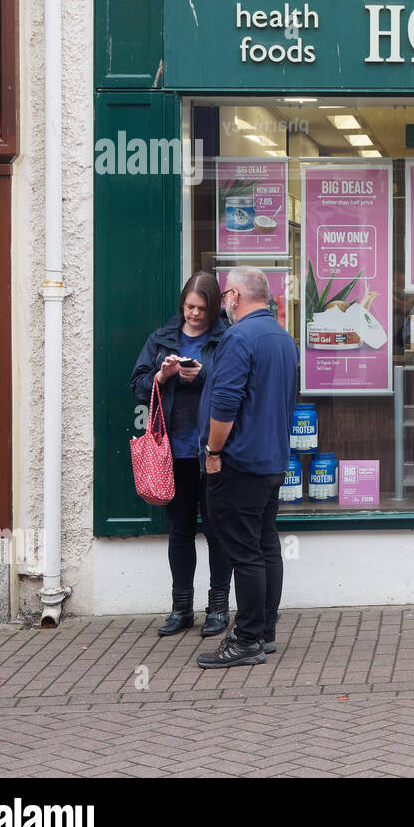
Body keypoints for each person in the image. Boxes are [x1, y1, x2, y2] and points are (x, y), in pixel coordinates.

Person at [196, 266, 299, 669]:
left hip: (239, 462)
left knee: (245, 553)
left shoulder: (239, 337)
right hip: (272, 459)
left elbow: (225, 404)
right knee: (266, 544)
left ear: (236, 296)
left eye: (225, 296)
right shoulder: (282, 338)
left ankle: (247, 638)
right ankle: (266, 631)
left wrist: (212, 450)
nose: (224, 303)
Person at [130, 272, 233, 637]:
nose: (194, 314)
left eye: (202, 309)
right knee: (179, 532)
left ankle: (218, 608)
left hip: (213, 450)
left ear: (213, 308)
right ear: (182, 305)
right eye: (189, 307)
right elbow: (137, 386)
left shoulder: (225, 337)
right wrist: (162, 375)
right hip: (173, 450)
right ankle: (181, 607)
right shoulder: (162, 338)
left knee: (219, 532)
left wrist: (202, 377)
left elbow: (236, 386)